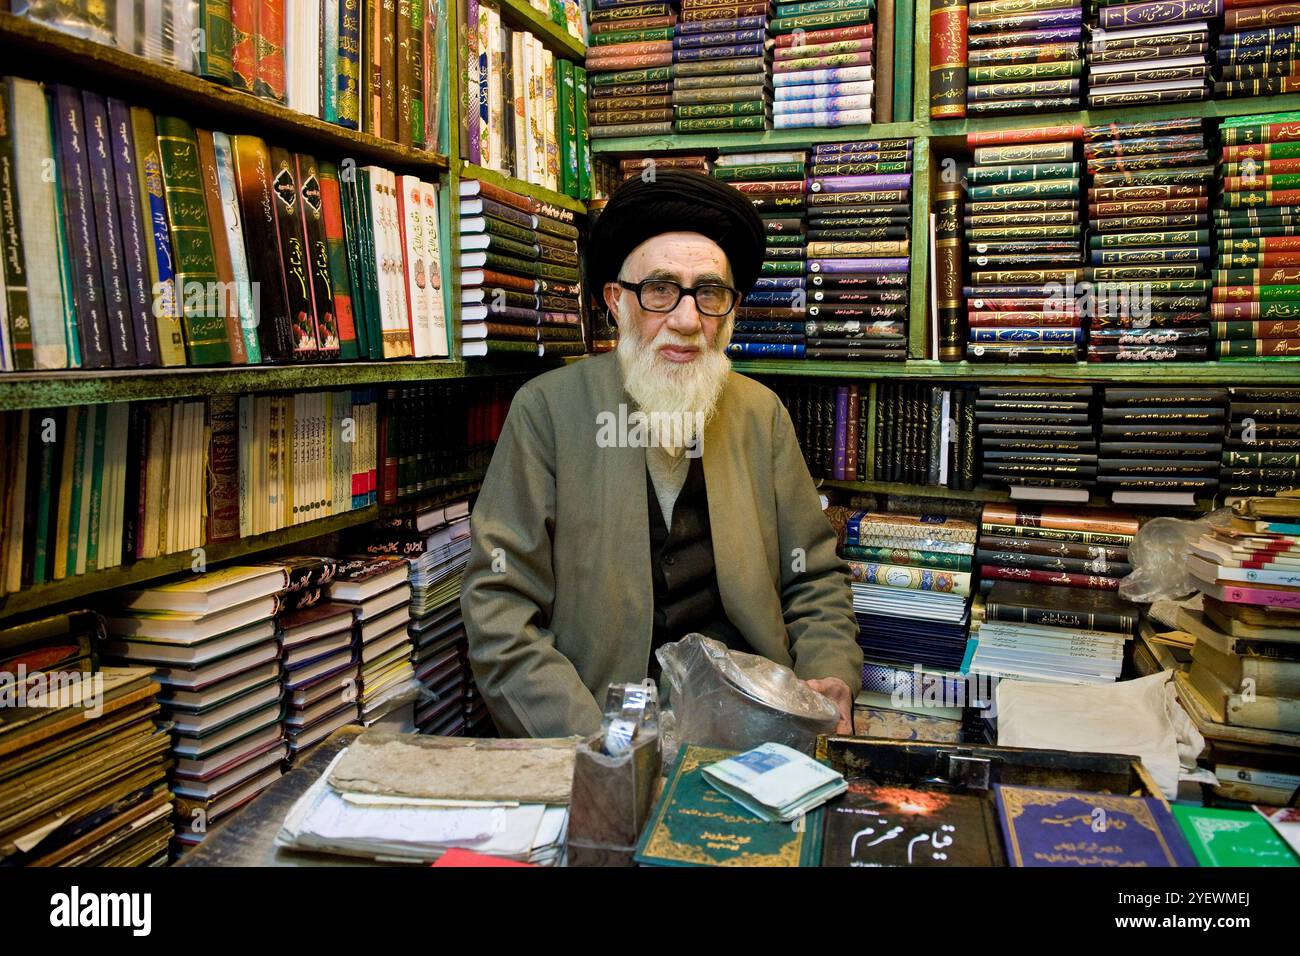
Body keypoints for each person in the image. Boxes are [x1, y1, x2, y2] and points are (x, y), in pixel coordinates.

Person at [459, 170, 862, 739]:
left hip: (755, 724)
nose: (687, 320)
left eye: (710, 293)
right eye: (660, 289)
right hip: (601, 729)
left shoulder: (760, 414)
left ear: (731, 310)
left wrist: (827, 673)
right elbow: (500, 610)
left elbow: (813, 577)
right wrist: (595, 745)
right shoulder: (548, 410)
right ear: (616, 302)